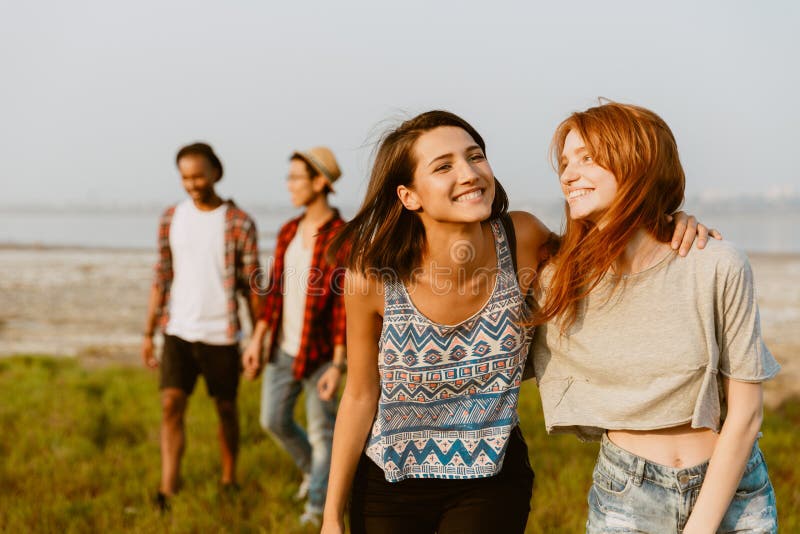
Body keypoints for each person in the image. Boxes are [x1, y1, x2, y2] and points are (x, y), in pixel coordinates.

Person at [320, 110, 710, 534]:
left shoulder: (521, 238)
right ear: (409, 196)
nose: (469, 173)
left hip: (491, 480)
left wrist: (666, 221)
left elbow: (603, 257)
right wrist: (331, 516)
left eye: (475, 156)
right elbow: (360, 395)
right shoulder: (373, 277)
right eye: (444, 166)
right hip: (388, 482)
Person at [532, 102, 780, 533]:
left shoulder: (716, 263)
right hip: (626, 494)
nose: (568, 174)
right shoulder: (559, 281)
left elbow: (746, 415)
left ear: (638, 162)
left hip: (735, 492)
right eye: (566, 163)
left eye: (587, 158)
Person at [141, 142, 261, 510]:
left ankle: (229, 479)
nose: (192, 183)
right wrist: (148, 333)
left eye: (198, 176)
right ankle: (167, 489)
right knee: (170, 405)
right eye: (185, 177)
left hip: (222, 334)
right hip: (177, 330)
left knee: (225, 408)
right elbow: (161, 276)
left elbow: (251, 286)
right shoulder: (171, 217)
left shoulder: (239, 222)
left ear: (216, 173)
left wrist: (257, 338)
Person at [241, 146, 347, 527]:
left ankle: (318, 507)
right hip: (283, 349)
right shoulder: (289, 230)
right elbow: (274, 292)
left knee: (323, 434)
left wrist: (338, 364)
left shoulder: (342, 236)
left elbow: (344, 306)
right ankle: (313, 473)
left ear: (319, 182)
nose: (289, 185)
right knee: (273, 420)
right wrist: (257, 339)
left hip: (321, 355)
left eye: (295, 178)